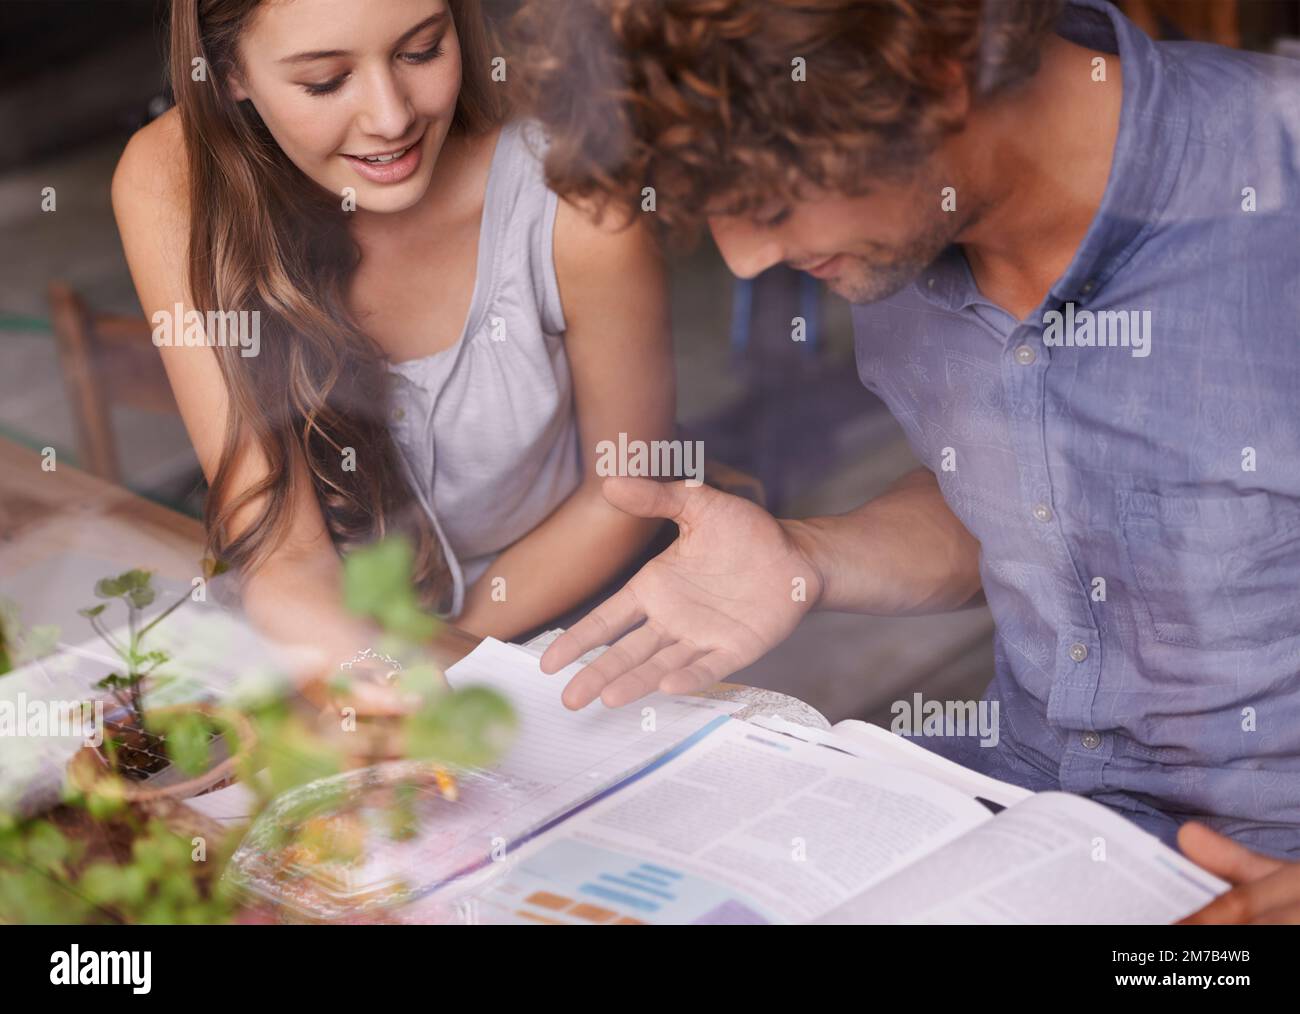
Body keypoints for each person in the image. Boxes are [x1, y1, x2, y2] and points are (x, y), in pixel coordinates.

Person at [514, 0, 1300, 921]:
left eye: (766, 206)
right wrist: (806, 556)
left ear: (940, 74)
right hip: (1021, 814)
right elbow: (1033, 503)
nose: (746, 261)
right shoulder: (896, 240)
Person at [112, 0, 675, 688]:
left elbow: (629, 492)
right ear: (229, 72)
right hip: (337, 642)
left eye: (421, 51)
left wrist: (430, 668)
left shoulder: (576, 194)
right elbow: (282, 556)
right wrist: (375, 672)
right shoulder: (174, 181)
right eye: (324, 82)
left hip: (567, 636)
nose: (391, 117)